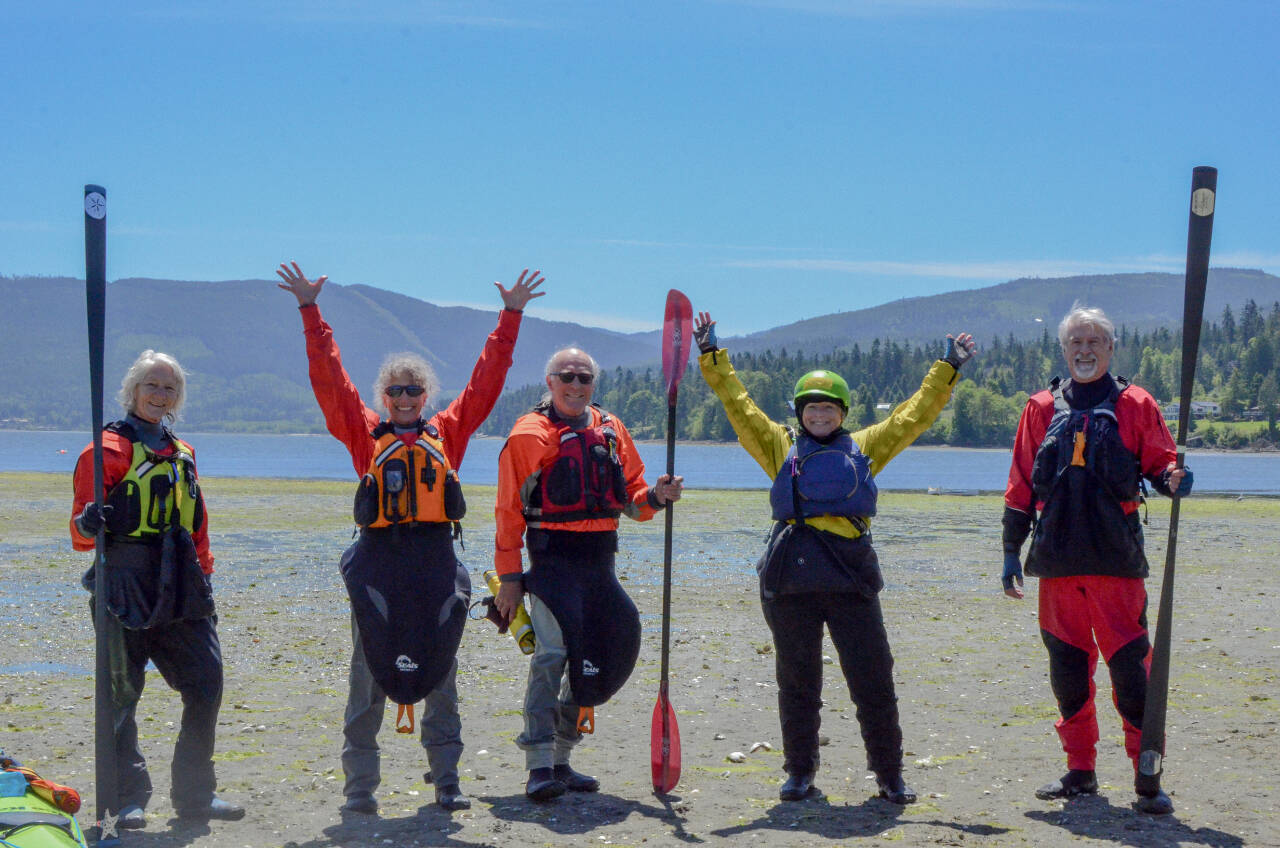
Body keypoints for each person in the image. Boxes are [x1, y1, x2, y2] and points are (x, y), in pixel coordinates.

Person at [276, 261, 544, 814]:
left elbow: (485, 383)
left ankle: (446, 778)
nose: (404, 397)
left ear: (426, 395)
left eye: (414, 389)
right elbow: (330, 380)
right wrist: (310, 312)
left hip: (434, 562)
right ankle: (360, 789)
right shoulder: (361, 433)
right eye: (396, 390)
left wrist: (510, 317)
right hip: (378, 564)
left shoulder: (447, 433)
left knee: (441, 670)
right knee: (366, 674)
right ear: (384, 394)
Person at [695, 311, 976, 804]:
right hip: (791, 583)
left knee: (874, 681)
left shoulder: (867, 447)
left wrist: (947, 368)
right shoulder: (778, 445)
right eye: (811, 409)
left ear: (843, 413)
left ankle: (889, 776)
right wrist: (711, 356)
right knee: (797, 682)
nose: (820, 417)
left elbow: (913, 416)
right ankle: (800, 773)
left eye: (829, 409)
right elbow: (739, 406)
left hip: (850, 579)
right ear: (799, 412)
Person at [1001, 304, 1190, 816]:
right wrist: (1009, 553)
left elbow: (1159, 464)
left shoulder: (1136, 403)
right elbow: (1020, 484)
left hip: (1116, 564)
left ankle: (1145, 772)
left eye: (1094, 343)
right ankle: (1080, 770)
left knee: (1131, 672)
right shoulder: (1041, 408)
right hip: (1058, 565)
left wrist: (1174, 478)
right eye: (1075, 344)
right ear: (1064, 351)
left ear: (1110, 348)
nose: (1084, 351)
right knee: (1067, 669)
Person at [493, 346, 684, 801]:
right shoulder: (529, 434)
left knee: (599, 651)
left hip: (600, 563)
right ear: (550, 382)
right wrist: (510, 578)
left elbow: (632, 498)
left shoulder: (611, 429)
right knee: (551, 656)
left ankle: (562, 758)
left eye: (584, 378)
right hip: (552, 563)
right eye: (567, 376)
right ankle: (538, 765)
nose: (576, 385)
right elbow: (508, 512)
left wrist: (658, 496)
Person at [70, 350, 245, 828]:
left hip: (183, 582)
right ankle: (129, 798)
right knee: (121, 692)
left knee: (206, 684)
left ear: (177, 398)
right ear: (132, 391)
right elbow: (79, 535)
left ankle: (194, 796)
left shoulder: (183, 453)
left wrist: (205, 577)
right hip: (123, 582)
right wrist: (89, 522)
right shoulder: (102, 450)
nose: (160, 394)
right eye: (152, 385)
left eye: (169, 388)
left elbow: (198, 526)